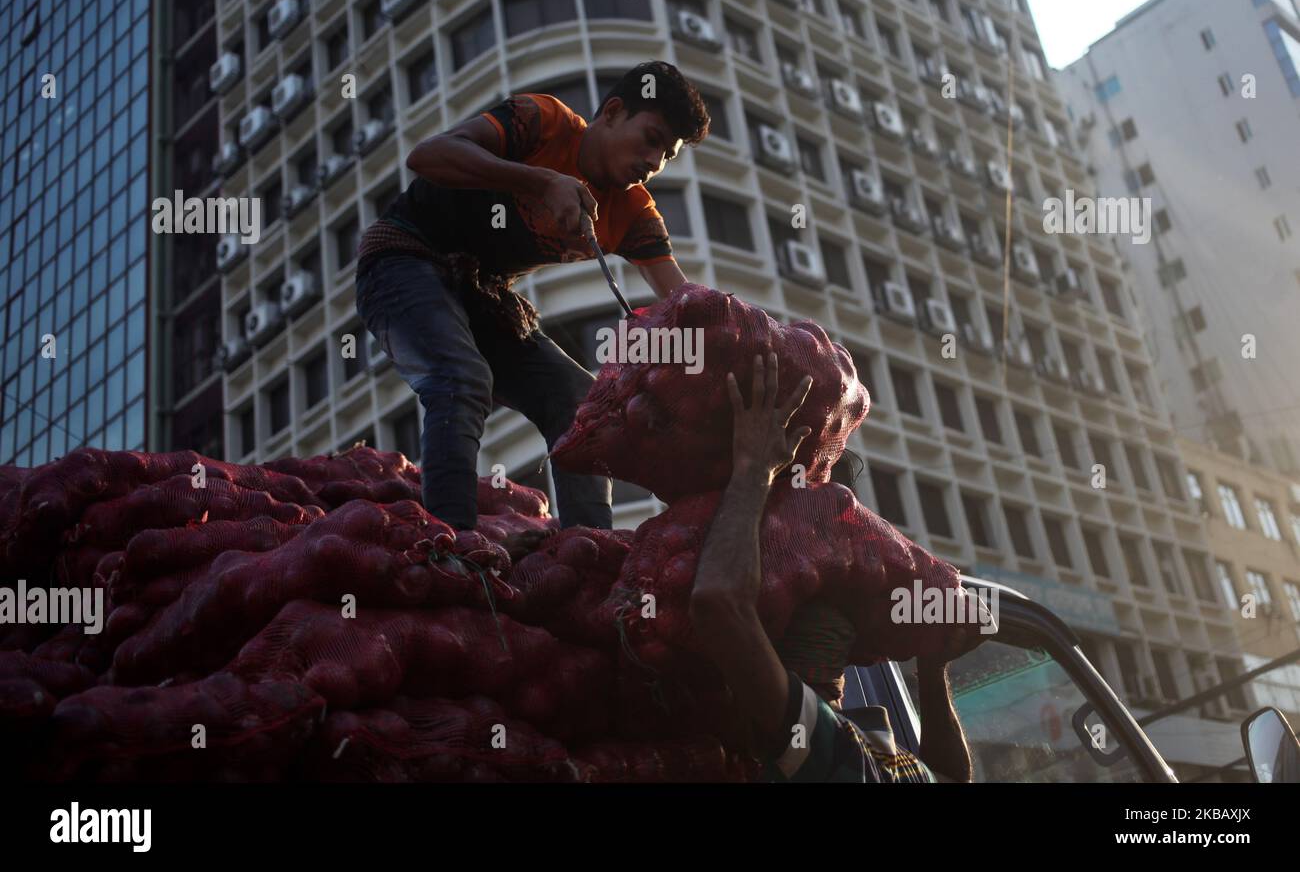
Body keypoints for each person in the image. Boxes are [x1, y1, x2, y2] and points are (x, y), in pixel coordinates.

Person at [354, 61, 710, 531]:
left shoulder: (631, 212)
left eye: (667, 154)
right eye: (651, 138)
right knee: (461, 378)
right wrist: (539, 181)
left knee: (581, 401)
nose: (655, 162)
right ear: (613, 111)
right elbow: (427, 156)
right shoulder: (542, 121)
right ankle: (449, 543)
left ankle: (588, 552)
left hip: (481, 299)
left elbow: (683, 302)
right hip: (402, 260)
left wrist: (736, 355)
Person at [688, 351, 976, 783]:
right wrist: (933, 669)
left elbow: (718, 604)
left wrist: (753, 469)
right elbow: (953, 777)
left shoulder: (823, 750)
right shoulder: (890, 767)